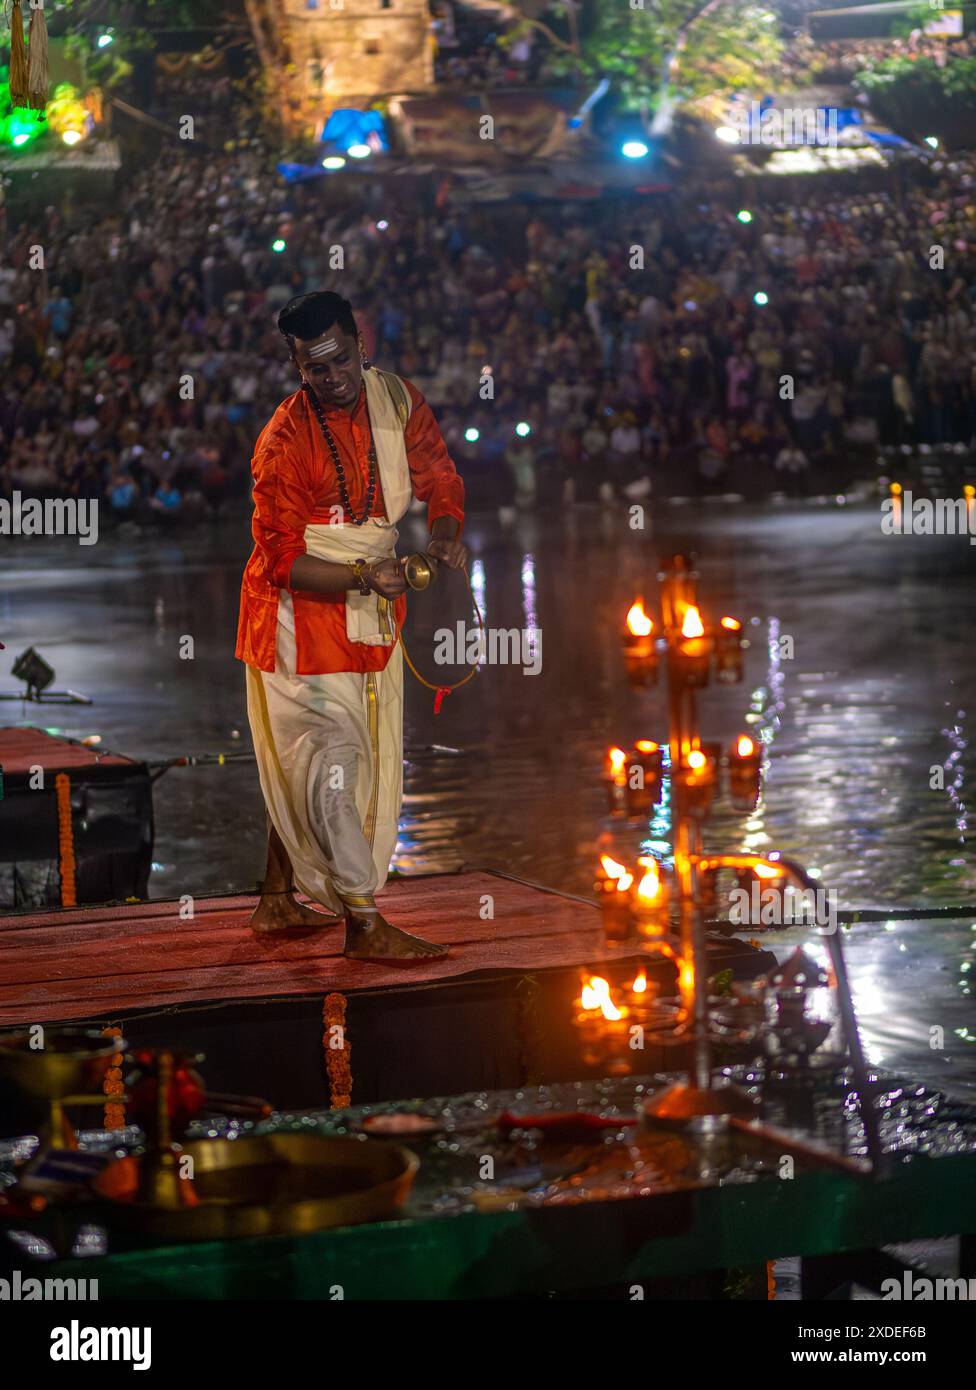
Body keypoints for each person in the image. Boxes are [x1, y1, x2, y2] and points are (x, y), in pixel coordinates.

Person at [236, 291, 466, 961]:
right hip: (295, 621)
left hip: (370, 607)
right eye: (314, 370)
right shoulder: (284, 438)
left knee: (315, 752)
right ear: (296, 366)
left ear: (362, 346)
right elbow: (281, 560)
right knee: (332, 756)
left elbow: (439, 474)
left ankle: (277, 899)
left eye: (340, 363)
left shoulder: (397, 401)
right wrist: (366, 577)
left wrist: (445, 532)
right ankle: (363, 921)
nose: (330, 380)